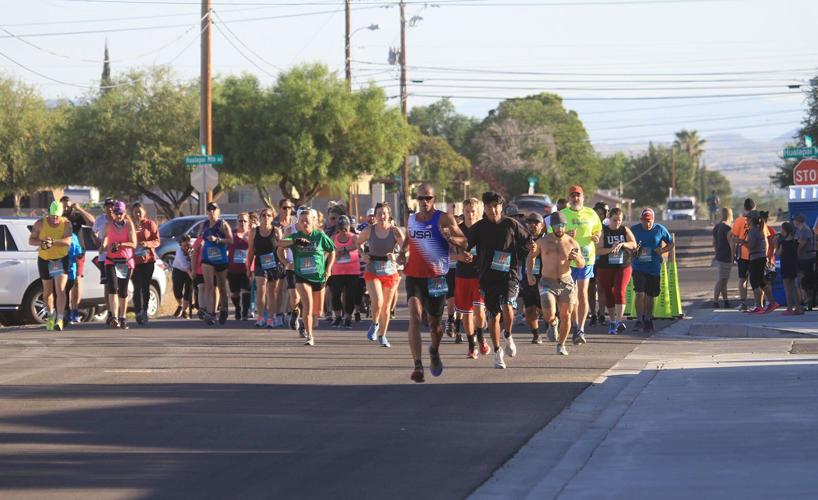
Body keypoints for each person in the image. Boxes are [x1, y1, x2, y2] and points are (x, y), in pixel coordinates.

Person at [400, 183, 467, 382]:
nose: (424, 202)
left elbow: (464, 241)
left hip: (437, 277)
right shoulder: (412, 219)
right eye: (421, 198)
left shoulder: (444, 218)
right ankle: (418, 365)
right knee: (414, 316)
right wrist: (403, 252)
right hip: (414, 276)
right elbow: (407, 241)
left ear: (434, 199)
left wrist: (451, 238)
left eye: (428, 198)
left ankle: (434, 350)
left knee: (435, 325)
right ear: (416, 199)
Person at [466, 191, 530, 369]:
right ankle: (497, 352)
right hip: (487, 277)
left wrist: (524, 253)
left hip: (509, 274)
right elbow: (466, 244)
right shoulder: (479, 228)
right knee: (493, 316)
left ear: (501, 207)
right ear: (484, 209)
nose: (493, 210)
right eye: (489, 207)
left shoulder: (511, 224)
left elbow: (527, 242)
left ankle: (508, 334)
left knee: (508, 307)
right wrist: (461, 249)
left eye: (496, 206)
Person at [528, 211, 585, 356]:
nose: (560, 228)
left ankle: (561, 344)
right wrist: (529, 274)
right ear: (551, 226)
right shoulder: (543, 241)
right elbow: (531, 257)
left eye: (562, 225)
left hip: (566, 283)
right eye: (556, 225)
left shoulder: (572, 242)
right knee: (548, 314)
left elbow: (581, 264)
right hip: (547, 282)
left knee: (566, 315)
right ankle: (553, 323)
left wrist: (577, 258)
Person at [277, 208, 336, 346]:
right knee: (307, 306)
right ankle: (309, 336)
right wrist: (287, 261)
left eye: (307, 221)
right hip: (301, 275)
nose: (304, 223)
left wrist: (328, 269)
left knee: (317, 311)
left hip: (319, 276)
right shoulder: (295, 236)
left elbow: (332, 250)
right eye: (302, 221)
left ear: (313, 221)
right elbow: (279, 245)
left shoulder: (320, 236)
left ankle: (309, 324)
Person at [358, 202, 404, 348]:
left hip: (390, 270)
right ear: (375, 215)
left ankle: (383, 336)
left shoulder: (395, 231)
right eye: (379, 213)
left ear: (389, 214)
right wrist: (363, 254)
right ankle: (374, 323)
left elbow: (406, 250)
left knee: (386, 307)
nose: (381, 216)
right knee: (377, 301)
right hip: (373, 269)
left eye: (384, 213)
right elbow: (358, 242)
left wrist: (396, 257)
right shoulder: (369, 230)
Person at [560, 185, 602, 345]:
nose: (575, 198)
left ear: (583, 197)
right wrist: (564, 234)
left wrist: (597, 236)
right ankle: (573, 324)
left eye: (578, 195)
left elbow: (598, 229)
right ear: (568, 198)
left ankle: (580, 329)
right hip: (567, 260)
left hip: (587, 258)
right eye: (572, 196)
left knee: (582, 293)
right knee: (570, 295)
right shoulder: (562, 214)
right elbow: (551, 232)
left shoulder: (591, 213)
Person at [452, 198, 489, 358]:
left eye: (473, 211)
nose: (470, 214)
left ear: (479, 212)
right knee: (466, 312)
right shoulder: (457, 230)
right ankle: (471, 345)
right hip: (462, 276)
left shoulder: (485, 229)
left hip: (480, 275)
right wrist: (459, 257)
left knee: (480, 311)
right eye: (467, 211)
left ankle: (481, 337)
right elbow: (446, 253)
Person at [29, 201, 72, 331]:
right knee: (47, 291)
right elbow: (31, 240)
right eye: (52, 215)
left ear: (61, 214)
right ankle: (51, 316)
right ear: (48, 213)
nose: (54, 219)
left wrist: (52, 242)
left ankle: (60, 319)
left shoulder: (66, 224)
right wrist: (42, 242)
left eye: (57, 216)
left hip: (60, 259)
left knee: (60, 289)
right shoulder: (40, 223)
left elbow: (67, 241)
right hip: (45, 259)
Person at [630, 208, 674, 332]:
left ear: (653, 220)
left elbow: (671, 243)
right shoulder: (634, 230)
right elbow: (627, 244)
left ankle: (648, 318)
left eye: (649, 221)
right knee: (640, 293)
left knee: (650, 295)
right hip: (638, 267)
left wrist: (663, 250)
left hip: (654, 268)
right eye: (644, 220)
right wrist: (632, 251)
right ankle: (639, 320)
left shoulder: (660, 229)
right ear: (641, 220)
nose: (647, 223)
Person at [595, 207, 637, 334]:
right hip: (605, 266)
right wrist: (611, 249)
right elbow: (597, 250)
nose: (617, 223)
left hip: (623, 265)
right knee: (609, 292)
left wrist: (623, 244)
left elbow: (633, 244)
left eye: (619, 220)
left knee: (619, 290)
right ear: (609, 219)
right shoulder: (604, 231)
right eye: (615, 220)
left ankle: (619, 321)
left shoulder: (624, 230)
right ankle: (612, 321)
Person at [193, 203, 233, 325]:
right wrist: (201, 244)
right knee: (209, 286)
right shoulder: (203, 225)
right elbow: (201, 238)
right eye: (209, 209)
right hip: (207, 258)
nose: (211, 212)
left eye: (214, 209)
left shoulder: (223, 224)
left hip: (220, 259)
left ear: (218, 211)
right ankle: (211, 314)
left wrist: (218, 240)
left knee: (221, 287)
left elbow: (231, 240)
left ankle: (224, 309)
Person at [102, 201, 137, 329]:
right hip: (111, 260)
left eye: (121, 213)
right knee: (112, 288)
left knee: (123, 290)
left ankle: (123, 317)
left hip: (125, 261)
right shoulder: (108, 225)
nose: (119, 215)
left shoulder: (129, 225)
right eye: (116, 213)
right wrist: (103, 245)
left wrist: (121, 244)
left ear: (124, 213)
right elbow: (106, 237)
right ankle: (114, 317)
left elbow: (134, 243)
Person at [59, 196, 94, 324]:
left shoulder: (76, 216)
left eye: (68, 205)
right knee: (64, 282)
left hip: (77, 253)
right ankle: (65, 310)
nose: (66, 208)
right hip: (62, 253)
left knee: (76, 282)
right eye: (64, 206)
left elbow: (92, 223)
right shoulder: (58, 217)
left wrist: (80, 209)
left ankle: (75, 310)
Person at [246, 208, 283, 328]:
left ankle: (272, 318)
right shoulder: (253, 232)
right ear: (260, 217)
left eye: (269, 215)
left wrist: (284, 263)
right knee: (261, 289)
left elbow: (281, 249)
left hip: (274, 264)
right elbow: (251, 251)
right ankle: (261, 316)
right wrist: (248, 268)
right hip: (259, 264)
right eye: (263, 215)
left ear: (272, 218)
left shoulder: (276, 231)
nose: (266, 217)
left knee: (271, 291)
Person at [329, 215, 361, 329]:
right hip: (337, 271)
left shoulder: (354, 237)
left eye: (345, 228)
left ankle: (348, 318)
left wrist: (344, 249)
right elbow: (329, 251)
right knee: (336, 295)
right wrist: (336, 252)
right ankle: (337, 317)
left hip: (352, 271)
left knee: (350, 296)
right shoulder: (333, 238)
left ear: (349, 227)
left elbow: (359, 247)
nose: (343, 231)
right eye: (341, 228)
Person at [130, 203, 159, 325]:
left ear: (144, 212)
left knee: (145, 286)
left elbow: (157, 241)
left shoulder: (150, 224)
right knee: (137, 287)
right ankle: (137, 312)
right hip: (134, 260)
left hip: (148, 260)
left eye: (139, 212)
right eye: (135, 212)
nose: (137, 214)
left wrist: (147, 244)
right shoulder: (130, 225)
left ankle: (145, 311)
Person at [274, 199, 300, 331]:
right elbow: (278, 243)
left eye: (289, 208)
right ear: (280, 208)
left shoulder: (298, 221)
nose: (287, 210)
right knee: (280, 289)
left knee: (291, 290)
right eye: (284, 208)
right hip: (277, 258)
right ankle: (278, 314)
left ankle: (290, 313)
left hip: (294, 262)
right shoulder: (275, 222)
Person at [520, 212, 545, 344]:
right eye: (529, 223)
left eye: (536, 223)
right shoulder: (523, 239)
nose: (532, 226)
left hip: (544, 278)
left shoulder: (547, 240)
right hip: (527, 278)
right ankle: (536, 334)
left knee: (545, 309)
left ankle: (553, 324)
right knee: (529, 309)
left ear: (542, 225)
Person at [731, 198, 757, 311]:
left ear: (744, 207)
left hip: (743, 254)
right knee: (756, 279)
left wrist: (732, 254)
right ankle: (758, 303)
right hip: (756, 253)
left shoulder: (739, 221)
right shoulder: (758, 219)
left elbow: (734, 238)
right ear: (754, 207)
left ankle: (743, 303)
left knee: (742, 279)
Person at [92, 198, 116, 322]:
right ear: (104, 207)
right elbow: (93, 232)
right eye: (108, 206)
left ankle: (117, 312)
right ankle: (110, 312)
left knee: (117, 285)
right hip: (104, 256)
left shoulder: (119, 218)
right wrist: (97, 242)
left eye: (112, 206)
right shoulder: (100, 219)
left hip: (118, 256)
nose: (110, 208)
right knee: (107, 286)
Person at [228, 212, 252, 321]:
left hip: (246, 268)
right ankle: (237, 308)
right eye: (240, 221)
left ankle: (245, 313)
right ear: (237, 222)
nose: (242, 223)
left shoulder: (251, 234)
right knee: (234, 292)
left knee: (246, 290)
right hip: (232, 268)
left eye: (245, 221)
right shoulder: (231, 234)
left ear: (248, 222)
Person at [744, 211, 769, 314]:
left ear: (752, 219)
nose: (746, 220)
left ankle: (759, 306)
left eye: (748, 218)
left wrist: (742, 242)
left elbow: (752, 246)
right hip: (760, 257)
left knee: (755, 283)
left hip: (756, 258)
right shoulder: (759, 229)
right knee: (760, 282)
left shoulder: (753, 231)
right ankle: (768, 303)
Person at [589, 202, 609, 326]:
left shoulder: (607, 229)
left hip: (602, 261)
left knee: (601, 288)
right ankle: (593, 314)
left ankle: (602, 313)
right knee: (590, 290)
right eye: (598, 213)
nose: (600, 215)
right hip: (590, 261)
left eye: (602, 213)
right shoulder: (588, 226)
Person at [776, 221, 802, 315]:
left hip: (786, 266)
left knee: (787, 288)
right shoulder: (796, 242)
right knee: (795, 287)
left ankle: (790, 308)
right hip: (794, 266)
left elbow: (778, 253)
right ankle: (799, 308)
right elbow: (798, 253)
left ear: (785, 231)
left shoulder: (783, 243)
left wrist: (776, 244)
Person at [712, 207, 734, 309]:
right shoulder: (728, 228)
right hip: (726, 256)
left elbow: (714, 243)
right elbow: (731, 244)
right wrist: (733, 257)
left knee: (724, 280)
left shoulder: (717, 227)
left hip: (719, 255)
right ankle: (715, 301)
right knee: (722, 280)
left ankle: (726, 301)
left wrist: (717, 253)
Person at [793, 213, 816, 309]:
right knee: (800, 280)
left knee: (805, 281)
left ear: (798, 221)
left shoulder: (805, 230)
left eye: (794, 220)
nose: (793, 222)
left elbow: (801, 244)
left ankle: (808, 300)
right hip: (801, 259)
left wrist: (795, 254)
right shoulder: (799, 230)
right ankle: (804, 299)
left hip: (807, 259)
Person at [171, 234, 194, 319]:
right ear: (180, 245)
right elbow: (187, 269)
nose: (186, 247)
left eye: (188, 245)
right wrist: (193, 277)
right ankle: (180, 305)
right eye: (184, 246)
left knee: (188, 291)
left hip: (190, 270)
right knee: (177, 290)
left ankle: (184, 311)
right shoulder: (179, 253)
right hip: (179, 270)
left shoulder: (193, 249)